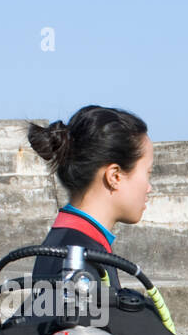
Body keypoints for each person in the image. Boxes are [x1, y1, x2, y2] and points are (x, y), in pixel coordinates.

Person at [24, 104, 154, 292]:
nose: (149, 188)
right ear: (115, 176)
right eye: (148, 172)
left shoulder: (62, 241)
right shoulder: (82, 260)